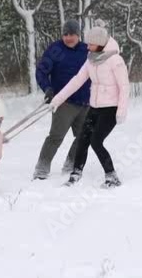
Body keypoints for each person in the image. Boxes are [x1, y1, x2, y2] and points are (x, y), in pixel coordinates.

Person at [50, 20, 130, 188]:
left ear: (100, 44)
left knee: (96, 141)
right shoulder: (91, 59)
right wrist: (58, 98)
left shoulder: (115, 60)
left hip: (111, 108)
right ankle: (76, 172)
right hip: (95, 106)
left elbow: (124, 87)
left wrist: (121, 111)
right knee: (82, 138)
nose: (87, 47)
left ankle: (112, 176)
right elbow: (77, 80)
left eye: (91, 44)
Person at [32, 20, 91, 180]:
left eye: (71, 34)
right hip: (64, 103)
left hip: (85, 102)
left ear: (78, 35)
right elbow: (41, 71)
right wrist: (48, 88)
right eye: (65, 34)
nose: (68, 38)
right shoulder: (55, 49)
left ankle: (71, 163)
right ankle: (41, 169)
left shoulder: (87, 50)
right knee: (56, 137)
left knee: (84, 136)